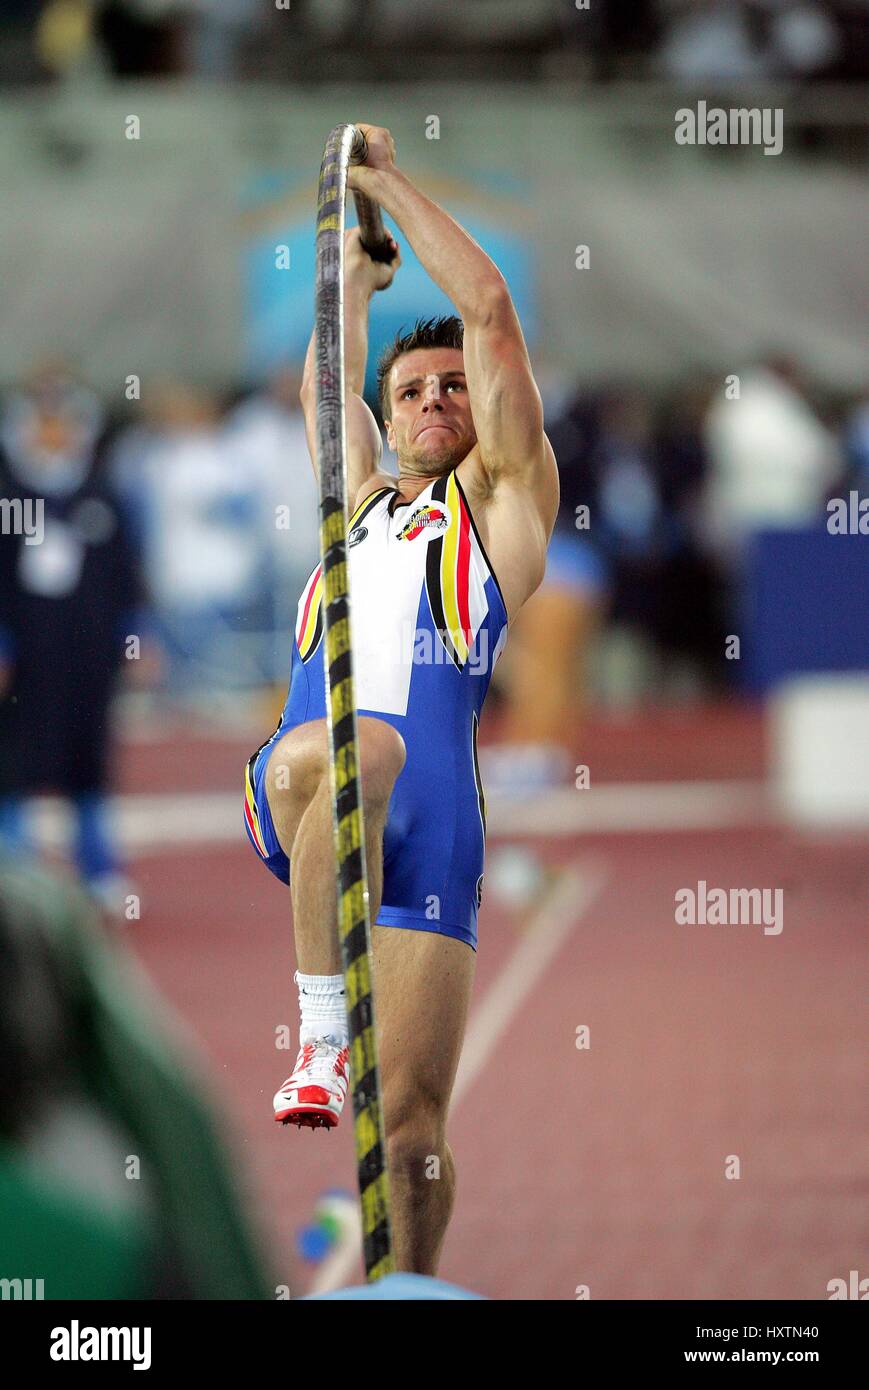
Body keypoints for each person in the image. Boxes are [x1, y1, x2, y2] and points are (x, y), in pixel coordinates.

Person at [243, 123, 558, 1275]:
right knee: (345, 753)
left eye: (448, 390)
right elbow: (328, 378)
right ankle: (319, 1031)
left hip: (432, 825)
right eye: (407, 390)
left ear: (479, 407)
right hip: (304, 771)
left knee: (415, 1134)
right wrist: (354, 280)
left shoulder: (502, 509)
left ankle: (403, 1287)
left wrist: (382, 183)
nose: (431, 401)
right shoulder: (356, 500)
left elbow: (487, 311)